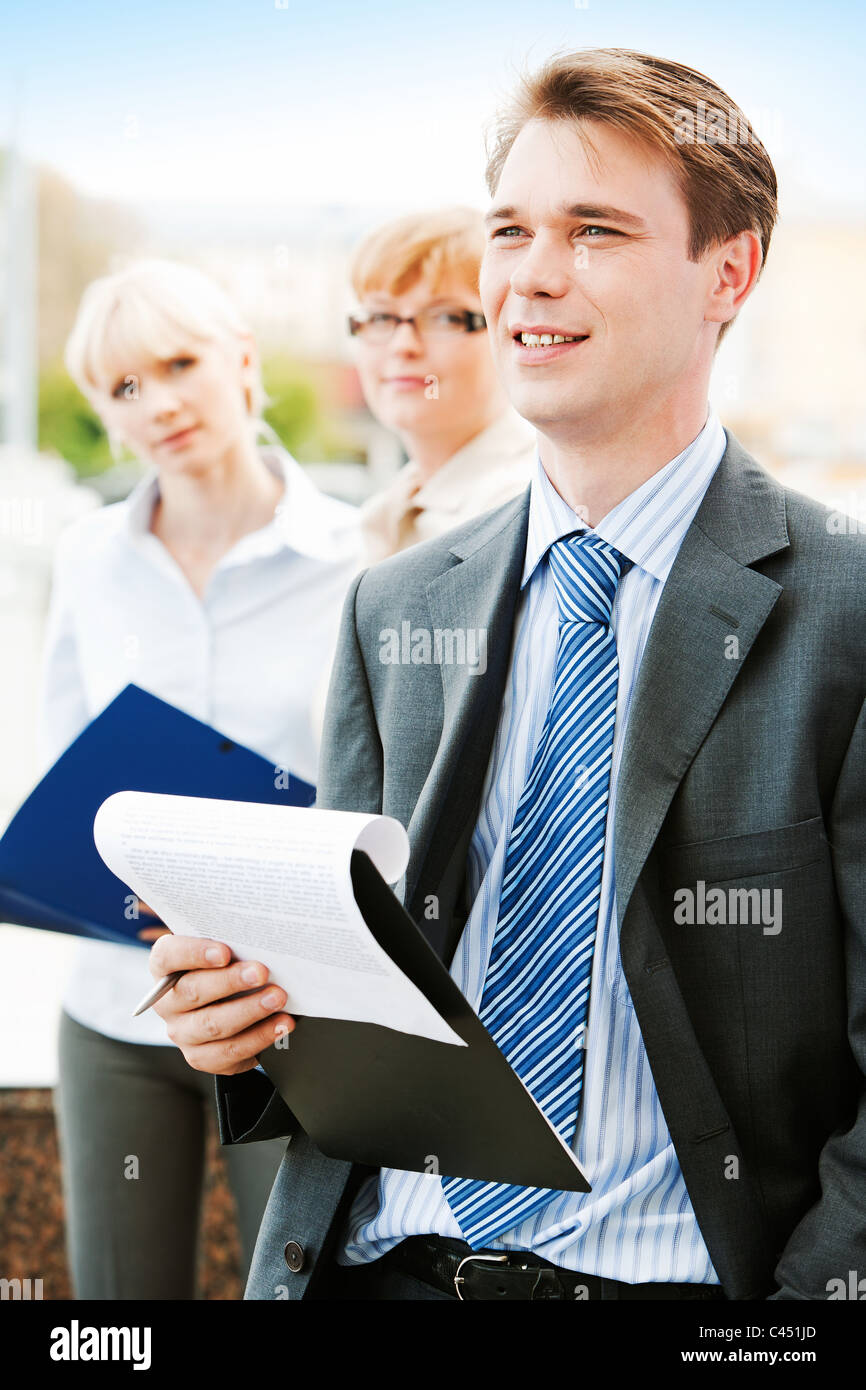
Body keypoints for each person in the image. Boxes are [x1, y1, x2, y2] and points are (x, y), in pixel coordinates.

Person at [147, 48, 865, 1302]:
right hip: (375, 1269)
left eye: (593, 230)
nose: (532, 273)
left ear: (727, 273)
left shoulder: (841, 610)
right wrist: (248, 1030)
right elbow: (345, 985)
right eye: (511, 230)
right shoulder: (395, 606)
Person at [38, 257, 361, 1299]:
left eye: (179, 364)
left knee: (297, 1288)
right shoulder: (89, 557)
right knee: (116, 1315)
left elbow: (376, 793)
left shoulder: (357, 559)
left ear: (244, 362)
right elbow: (68, 766)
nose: (159, 403)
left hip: (290, 1016)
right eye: (122, 387)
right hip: (118, 1007)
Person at [347, 208, 536, 564]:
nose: (403, 345)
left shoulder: (526, 511)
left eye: (444, 317)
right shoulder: (381, 516)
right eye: (380, 317)